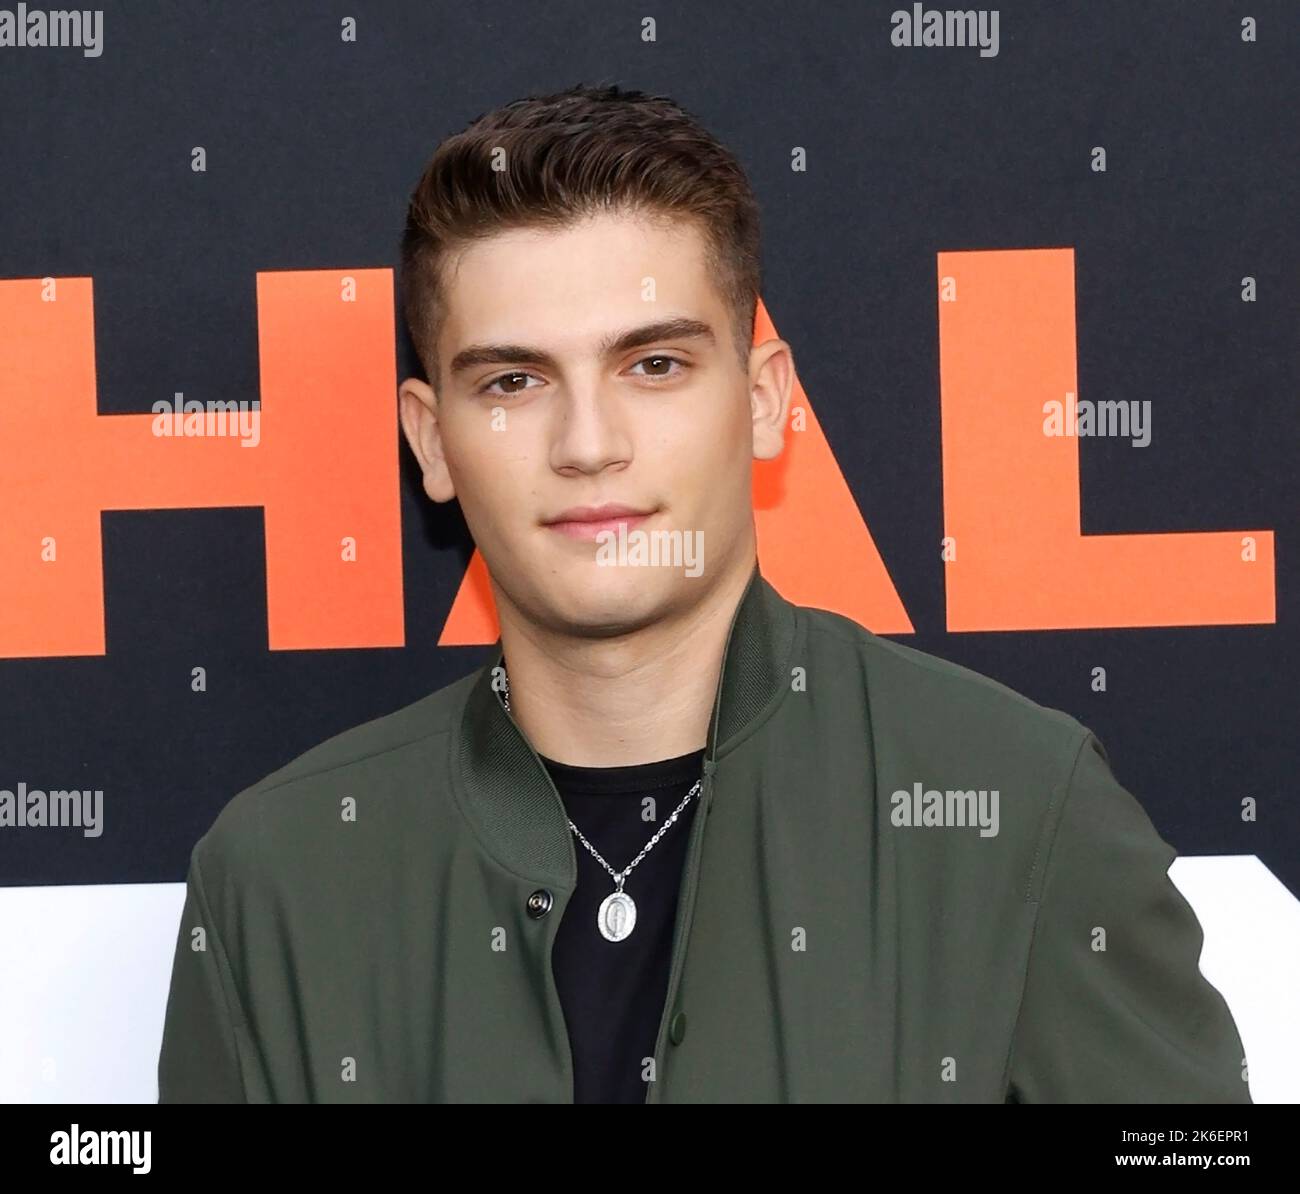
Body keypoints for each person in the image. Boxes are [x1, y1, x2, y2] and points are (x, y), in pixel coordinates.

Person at [156, 82, 1250, 1104]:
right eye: (514, 381)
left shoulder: (1021, 809)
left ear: (765, 400)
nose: (589, 443)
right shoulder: (277, 881)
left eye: (654, 365)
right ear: (432, 441)